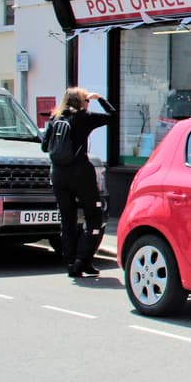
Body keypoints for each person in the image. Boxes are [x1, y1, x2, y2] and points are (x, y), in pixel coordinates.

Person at [48, 87, 117, 277]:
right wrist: (100, 98)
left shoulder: (54, 119)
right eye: (86, 100)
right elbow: (113, 115)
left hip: (58, 175)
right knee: (94, 217)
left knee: (67, 221)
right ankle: (82, 259)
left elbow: (45, 146)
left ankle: (72, 263)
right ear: (82, 102)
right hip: (81, 175)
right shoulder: (84, 117)